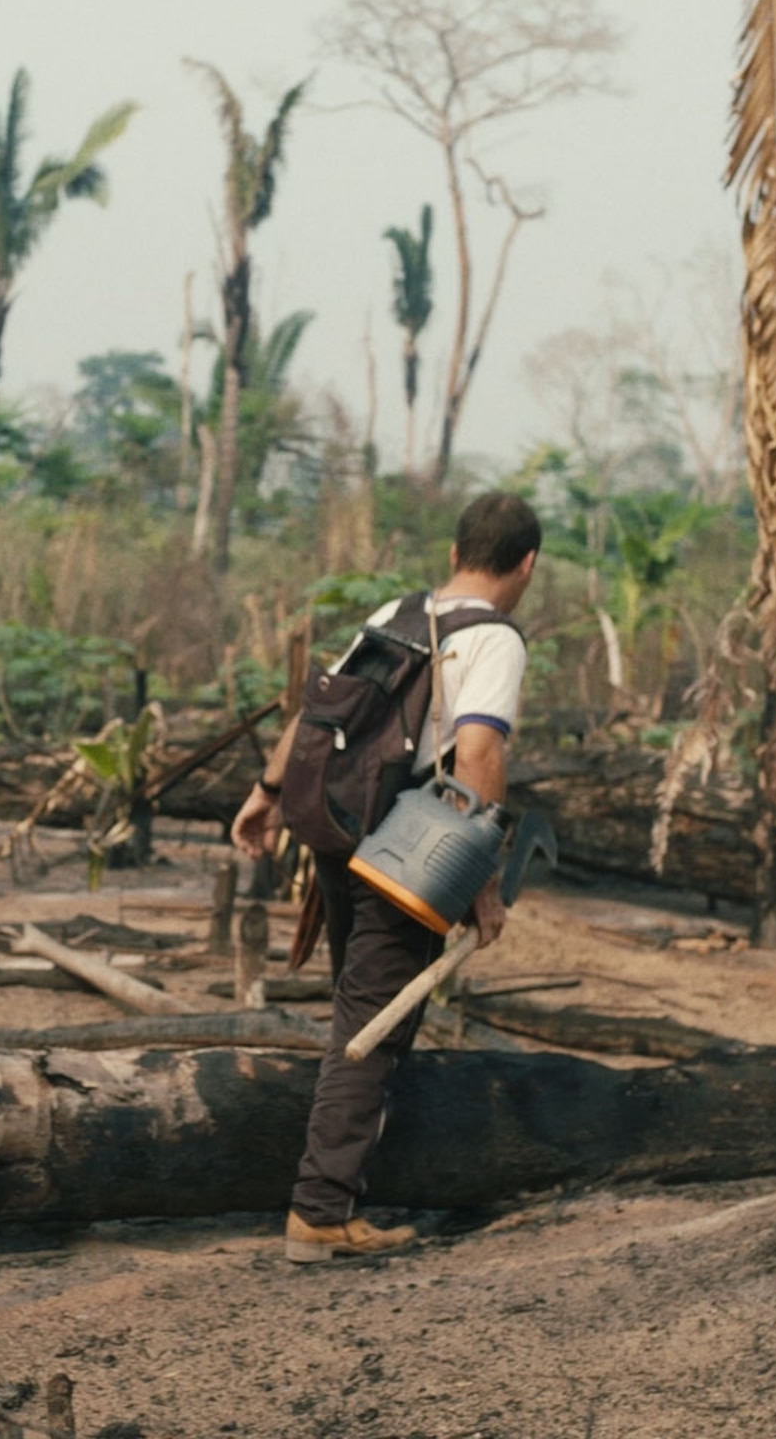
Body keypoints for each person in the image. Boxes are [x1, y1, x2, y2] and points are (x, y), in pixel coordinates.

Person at [232, 492, 541, 1264]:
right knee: (366, 1028)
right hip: (412, 853)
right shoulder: (495, 641)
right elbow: (478, 757)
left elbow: (318, 715)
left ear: (455, 553)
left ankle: (347, 1178)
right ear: (528, 565)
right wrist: (481, 880)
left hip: (340, 833)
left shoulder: (399, 610)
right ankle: (320, 1212)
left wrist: (267, 796)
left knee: (361, 1008)